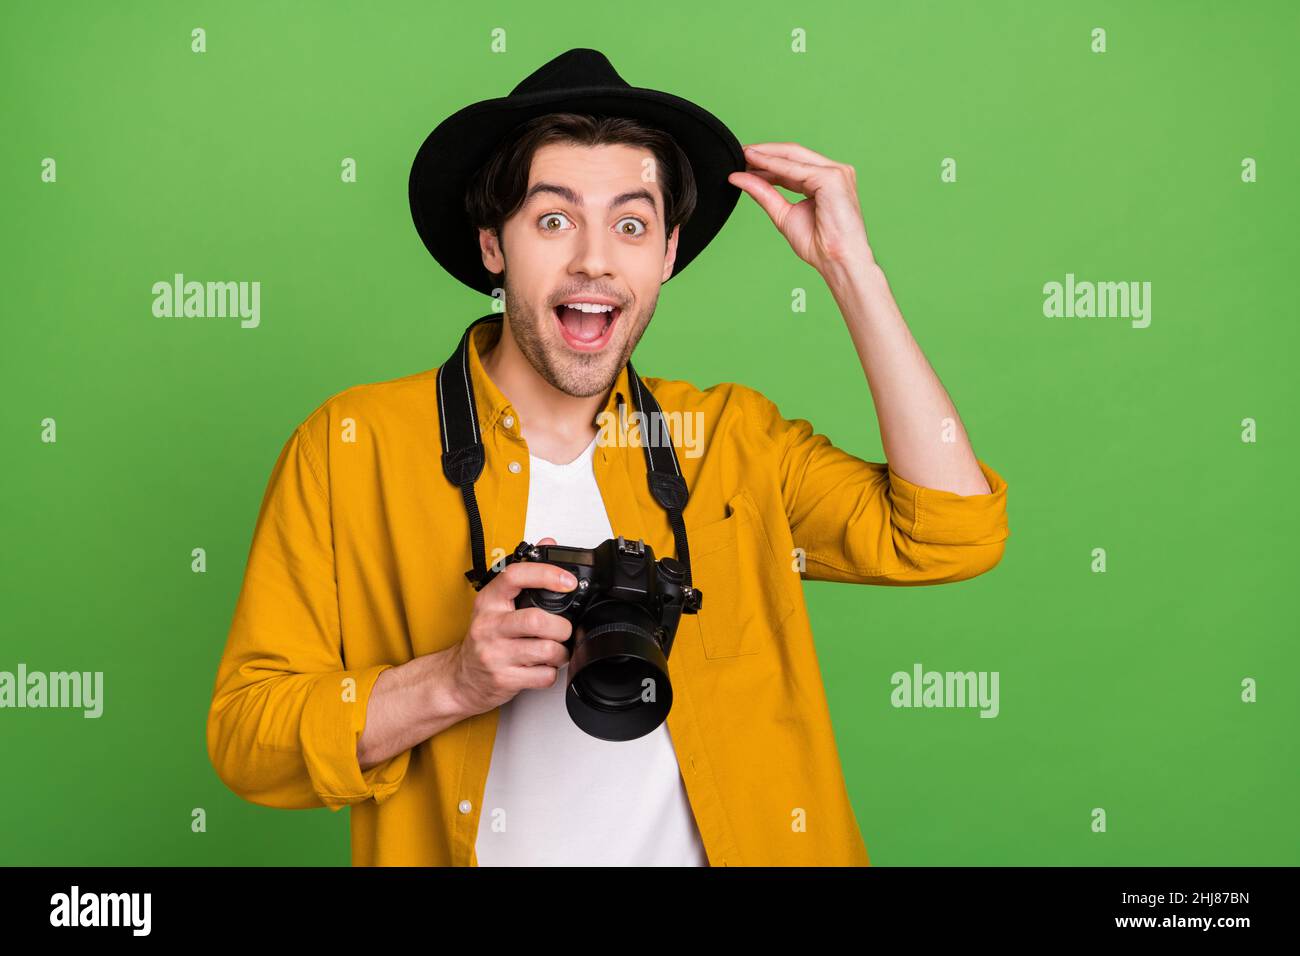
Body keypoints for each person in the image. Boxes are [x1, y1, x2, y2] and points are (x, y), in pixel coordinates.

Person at [206, 48, 1010, 866]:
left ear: (665, 255)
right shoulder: (353, 446)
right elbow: (248, 739)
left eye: (631, 224)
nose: (594, 259)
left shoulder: (728, 440)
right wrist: (453, 680)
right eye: (553, 219)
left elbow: (951, 531)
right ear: (494, 244)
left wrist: (851, 270)